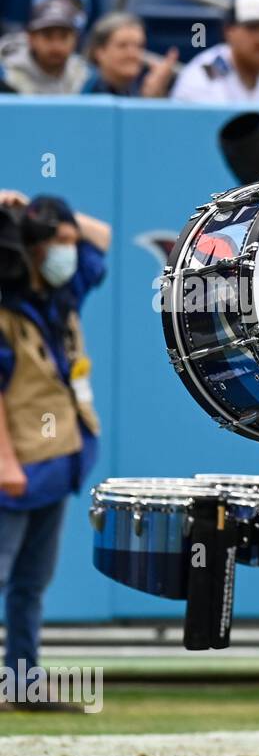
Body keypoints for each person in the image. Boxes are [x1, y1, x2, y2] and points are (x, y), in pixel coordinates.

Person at [0, 192, 110, 710]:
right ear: (35, 249)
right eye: (60, 242)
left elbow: (102, 235)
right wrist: (4, 462)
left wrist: (36, 206)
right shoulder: (7, 305)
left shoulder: (62, 295)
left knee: (30, 583)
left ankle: (22, 684)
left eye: (71, 240)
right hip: (15, 463)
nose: (72, 249)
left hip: (55, 459)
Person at [0, 0, 89, 94]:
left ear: (75, 39)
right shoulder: (4, 77)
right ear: (31, 38)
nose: (56, 46)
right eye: (47, 36)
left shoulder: (88, 79)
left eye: (64, 37)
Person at [81, 11, 176, 96]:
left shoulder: (134, 89)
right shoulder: (84, 89)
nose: (132, 54)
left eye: (139, 46)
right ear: (99, 51)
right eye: (122, 46)